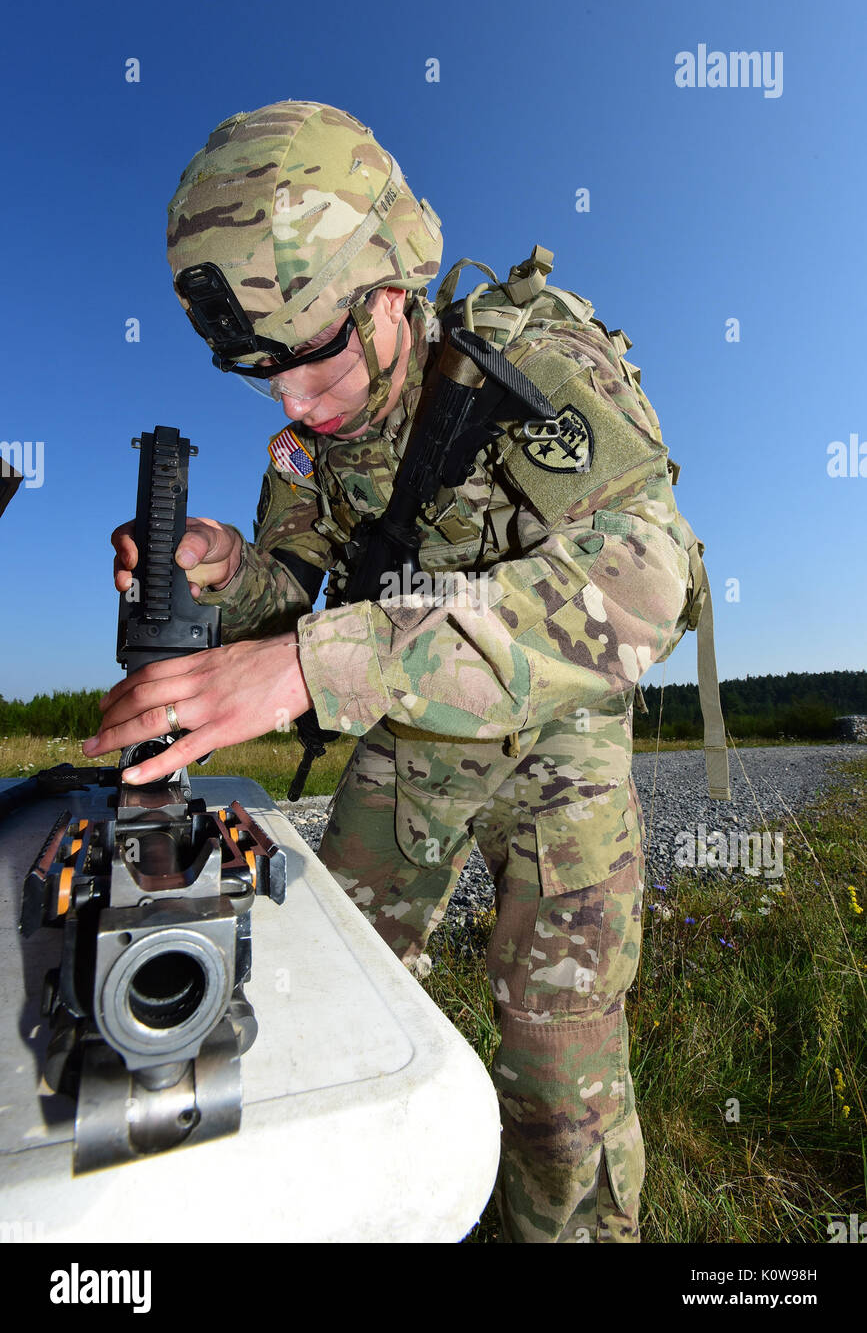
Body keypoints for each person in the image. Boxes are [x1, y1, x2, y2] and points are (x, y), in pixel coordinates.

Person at [85, 99, 697, 1242]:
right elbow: (289, 591)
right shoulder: (308, 441)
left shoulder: (528, 355)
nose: (298, 405)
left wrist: (316, 666)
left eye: (317, 360)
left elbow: (646, 577)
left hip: (557, 750)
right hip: (411, 742)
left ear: (389, 283)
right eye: (267, 376)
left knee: (562, 1087)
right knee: (322, 1013)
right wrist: (225, 574)